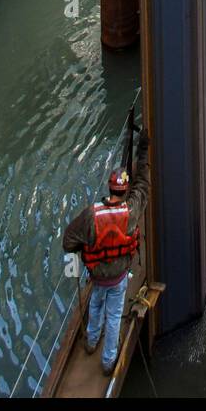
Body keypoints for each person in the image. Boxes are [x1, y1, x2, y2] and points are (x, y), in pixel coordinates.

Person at [63, 128, 150, 375]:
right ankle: (108, 361)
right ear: (125, 191)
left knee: (96, 305)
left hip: (98, 275)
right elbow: (143, 185)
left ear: (110, 188)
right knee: (114, 316)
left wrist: (87, 248)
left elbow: (68, 240)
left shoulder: (92, 215)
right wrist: (143, 152)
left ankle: (91, 341)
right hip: (120, 276)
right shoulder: (131, 213)